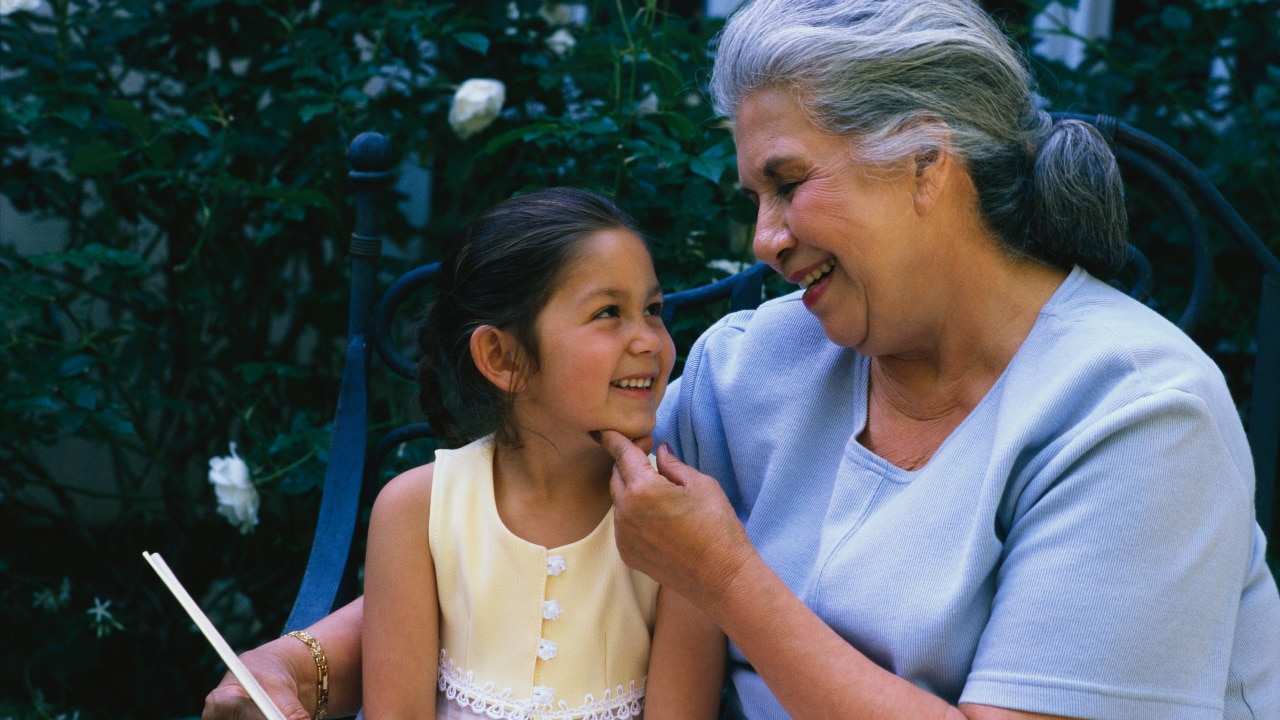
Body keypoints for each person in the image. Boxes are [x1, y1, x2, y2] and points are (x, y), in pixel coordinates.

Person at [205, 1, 1280, 719]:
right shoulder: (764, 360)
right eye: (752, 199)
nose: (762, 240)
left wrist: (721, 575)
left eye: (786, 183)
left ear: (924, 166)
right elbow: (560, 500)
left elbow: (700, 560)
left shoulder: (1138, 418)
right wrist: (313, 657)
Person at [343, 187, 726, 720]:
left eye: (654, 309)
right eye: (609, 312)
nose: (650, 341)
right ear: (502, 356)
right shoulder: (416, 513)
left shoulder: (678, 528)